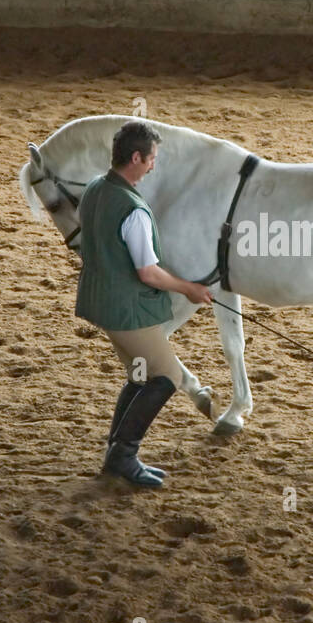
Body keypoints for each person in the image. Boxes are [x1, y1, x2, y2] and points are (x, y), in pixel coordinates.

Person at [75, 120, 213, 487]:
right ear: (136, 157)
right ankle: (124, 455)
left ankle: (116, 452)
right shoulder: (133, 209)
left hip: (99, 300)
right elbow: (149, 274)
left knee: (139, 376)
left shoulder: (93, 188)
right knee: (167, 375)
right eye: (151, 159)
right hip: (127, 310)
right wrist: (189, 289)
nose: (153, 165)